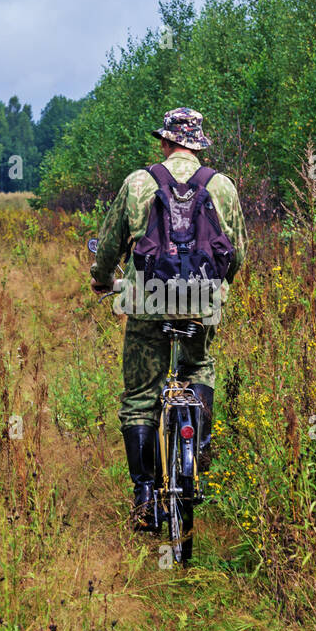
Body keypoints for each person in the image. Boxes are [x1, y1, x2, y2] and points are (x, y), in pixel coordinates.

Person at [89, 107, 247, 529]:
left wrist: (102, 280)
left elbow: (108, 247)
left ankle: (145, 499)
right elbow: (238, 256)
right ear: (197, 143)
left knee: (141, 395)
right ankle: (198, 455)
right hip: (203, 303)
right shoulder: (222, 187)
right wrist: (217, 288)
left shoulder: (138, 183)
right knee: (200, 365)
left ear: (165, 141)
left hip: (148, 303)